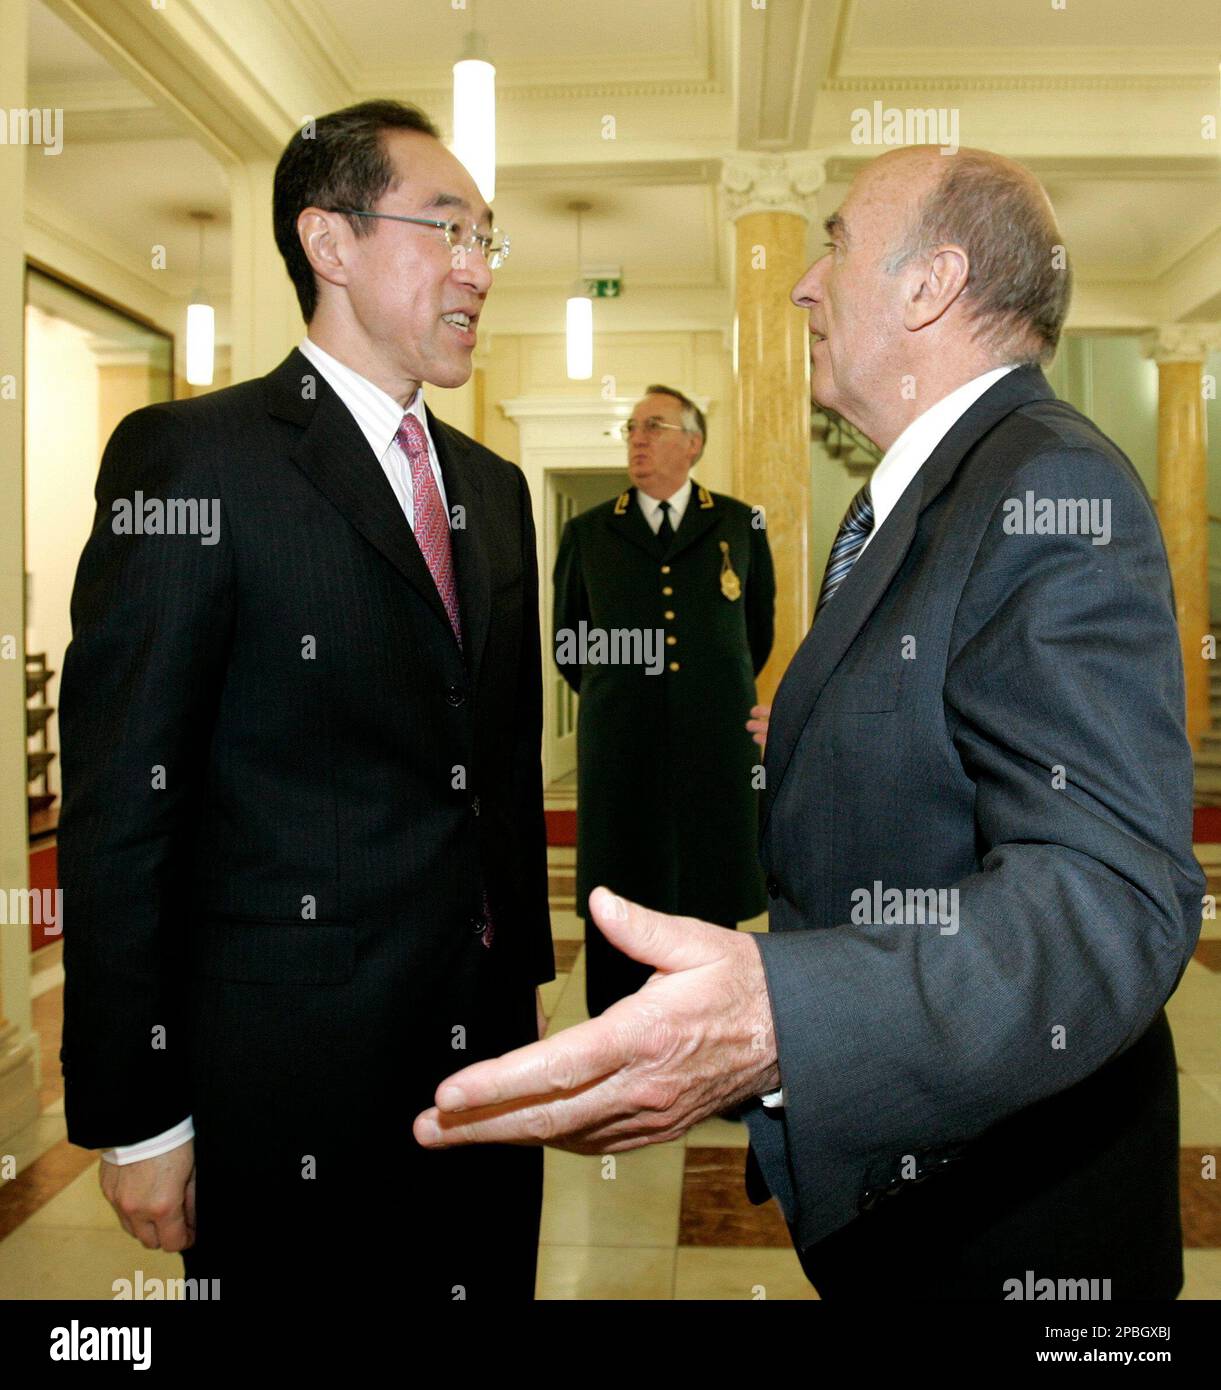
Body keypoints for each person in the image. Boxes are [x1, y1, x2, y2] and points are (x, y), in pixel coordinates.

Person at [413, 146, 1203, 1301]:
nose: (801, 285)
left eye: (833, 243)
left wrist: (783, 1016)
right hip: (922, 1194)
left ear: (930, 285)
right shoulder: (933, 486)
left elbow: (1111, 899)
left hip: (1012, 1228)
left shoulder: (1046, 489)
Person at [57, 99, 553, 1301]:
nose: (477, 269)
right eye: (445, 228)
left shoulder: (493, 489)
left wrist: (526, 1019)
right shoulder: (195, 461)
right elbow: (124, 803)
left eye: (487, 238)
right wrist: (139, 1117)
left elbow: (498, 768)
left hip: (485, 1069)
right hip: (286, 1088)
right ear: (328, 243)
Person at [553, 385, 774, 1015]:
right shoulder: (590, 532)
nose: (638, 440)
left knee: (709, 895)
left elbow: (756, 632)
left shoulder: (738, 523)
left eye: (653, 426)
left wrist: (701, 689)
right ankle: (618, 1038)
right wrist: (625, 696)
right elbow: (569, 644)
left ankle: (710, 1036)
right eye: (631, 428)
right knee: (622, 890)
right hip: (622, 750)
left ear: (693, 443)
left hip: (713, 747)